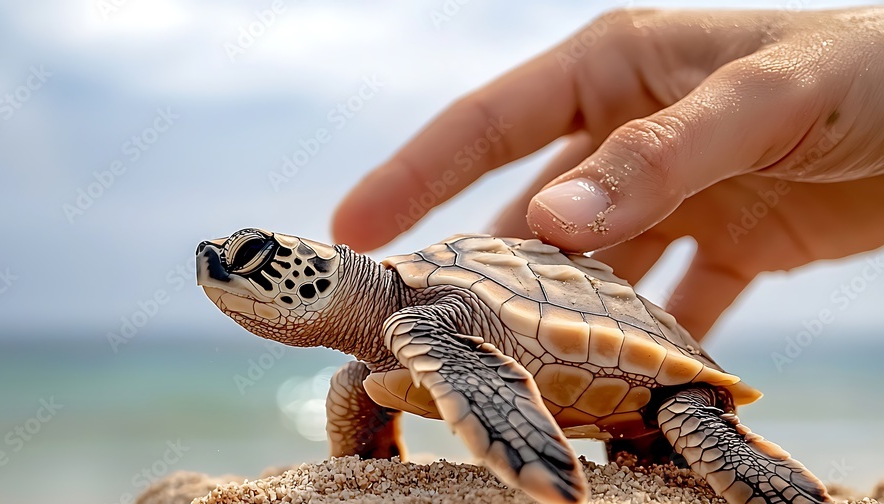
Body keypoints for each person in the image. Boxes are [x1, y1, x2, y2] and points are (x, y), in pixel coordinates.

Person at [331, 7, 884, 340]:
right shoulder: (396, 336)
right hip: (606, 343)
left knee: (685, 419)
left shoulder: (417, 325)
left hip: (616, 349)